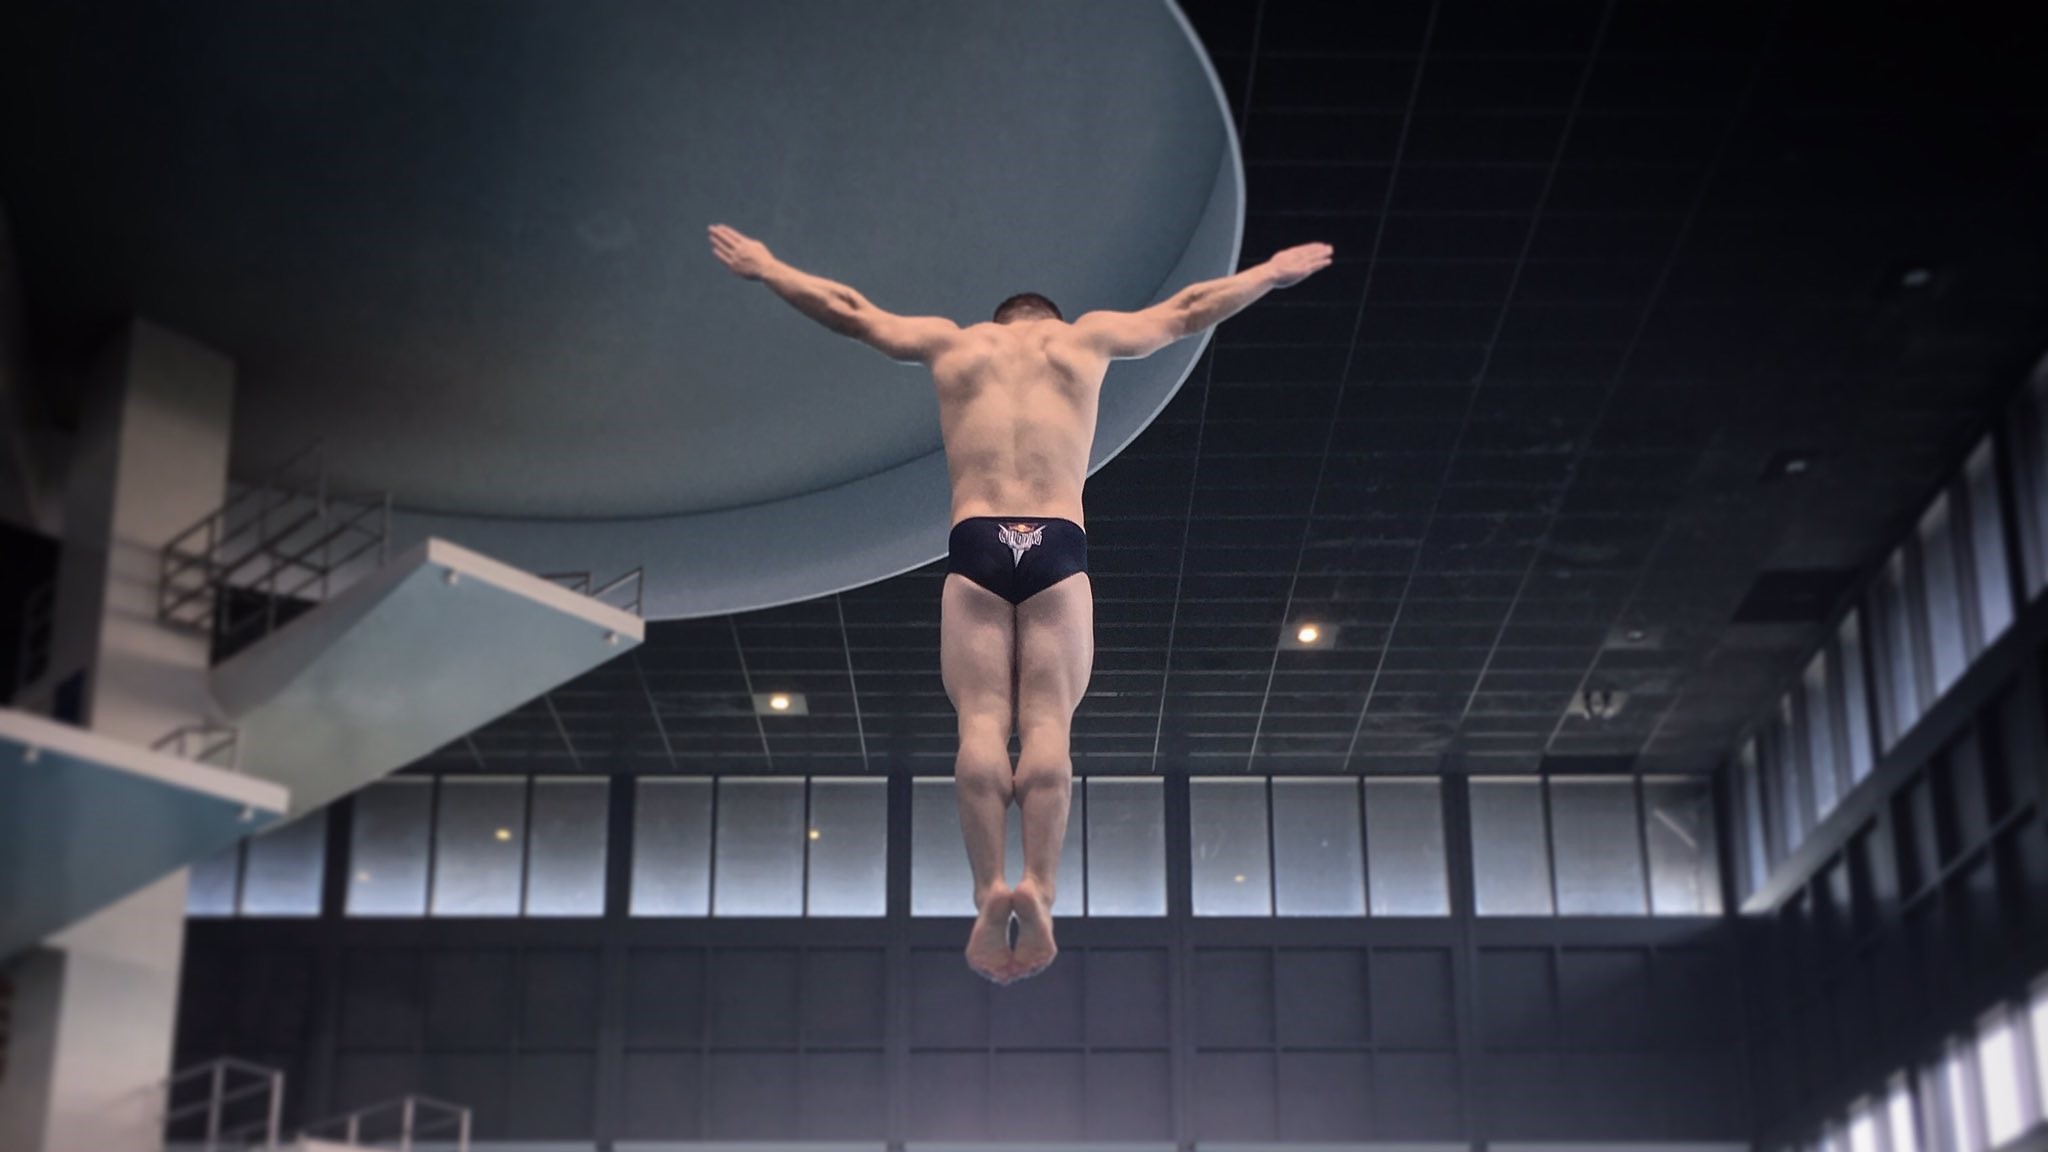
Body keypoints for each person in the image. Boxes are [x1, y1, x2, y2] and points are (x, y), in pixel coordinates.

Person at [709, 224, 1333, 981]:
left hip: (975, 540)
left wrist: (769, 266)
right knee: (1047, 727)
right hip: (1058, 542)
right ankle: (1037, 885)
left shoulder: (953, 345)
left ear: (999, 322)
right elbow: (1189, 308)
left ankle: (986, 892)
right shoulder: (1086, 340)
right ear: (1051, 320)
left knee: (979, 723)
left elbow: (851, 311)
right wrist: (1270, 271)